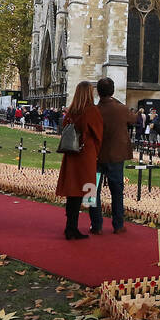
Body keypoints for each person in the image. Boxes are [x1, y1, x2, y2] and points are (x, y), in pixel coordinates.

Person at [56, 81, 104, 240]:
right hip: (86, 154)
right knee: (86, 189)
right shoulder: (91, 110)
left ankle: (70, 226)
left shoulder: (72, 111)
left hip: (72, 154)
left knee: (73, 191)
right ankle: (80, 226)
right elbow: (98, 134)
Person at [91, 76, 137, 235]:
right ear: (112, 91)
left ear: (98, 92)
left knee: (92, 190)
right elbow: (134, 119)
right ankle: (118, 225)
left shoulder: (94, 110)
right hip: (115, 156)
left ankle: (96, 225)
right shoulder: (121, 109)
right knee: (117, 191)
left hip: (95, 156)